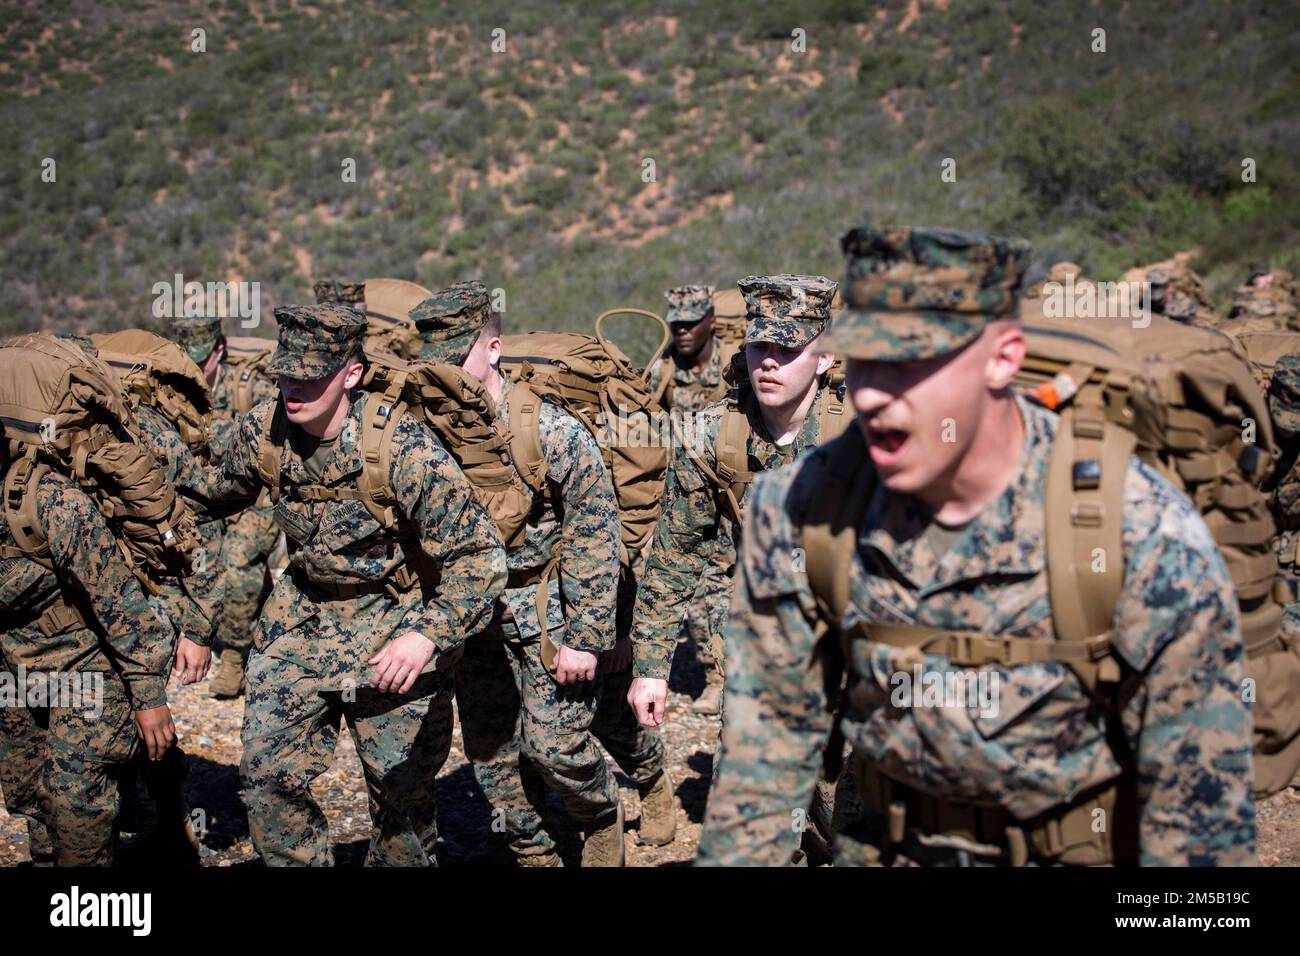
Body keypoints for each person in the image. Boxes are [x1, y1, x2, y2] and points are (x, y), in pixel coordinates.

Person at [697, 225, 1257, 866]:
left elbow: (1198, 827)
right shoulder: (801, 508)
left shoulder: (1139, 531)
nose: (875, 394)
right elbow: (764, 760)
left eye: (914, 363)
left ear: (1003, 358)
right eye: (866, 360)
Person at [198, 303, 507, 865]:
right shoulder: (263, 436)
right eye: (287, 372)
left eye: (312, 375)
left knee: (402, 807)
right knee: (268, 778)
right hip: (299, 625)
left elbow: (480, 557)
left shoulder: (402, 449)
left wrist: (428, 636)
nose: (294, 389)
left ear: (352, 374)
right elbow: (202, 502)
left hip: (393, 633)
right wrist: (197, 622)